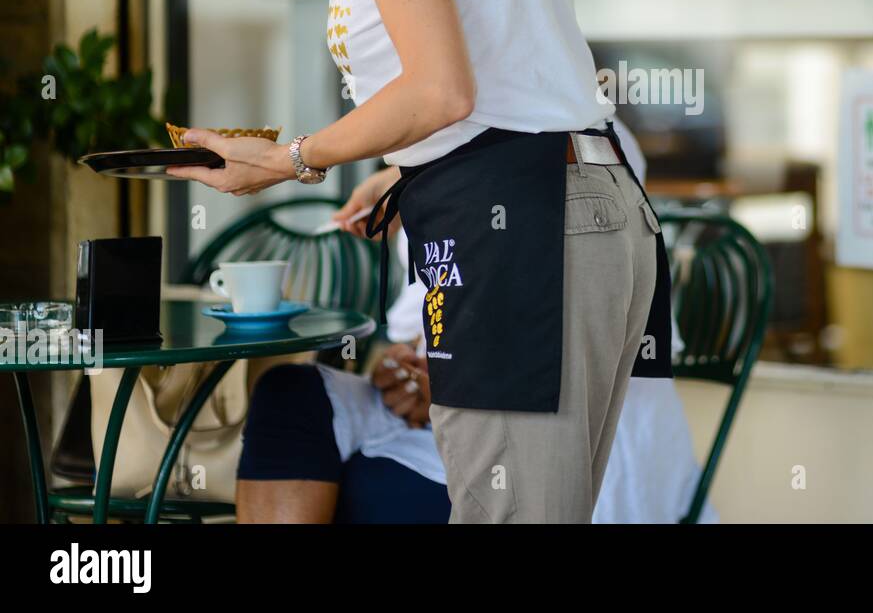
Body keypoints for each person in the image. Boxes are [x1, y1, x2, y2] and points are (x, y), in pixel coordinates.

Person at [169, 0, 672, 523]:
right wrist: (401, 168)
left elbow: (441, 87)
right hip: (597, 208)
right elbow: (514, 71)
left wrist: (295, 158)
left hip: (517, 227)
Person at [236, 122, 718, 524]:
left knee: (380, 485)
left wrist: (292, 158)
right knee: (288, 394)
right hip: (448, 409)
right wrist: (405, 371)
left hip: (556, 413)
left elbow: (563, 336)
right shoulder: (426, 175)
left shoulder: (570, 155)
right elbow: (422, 336)